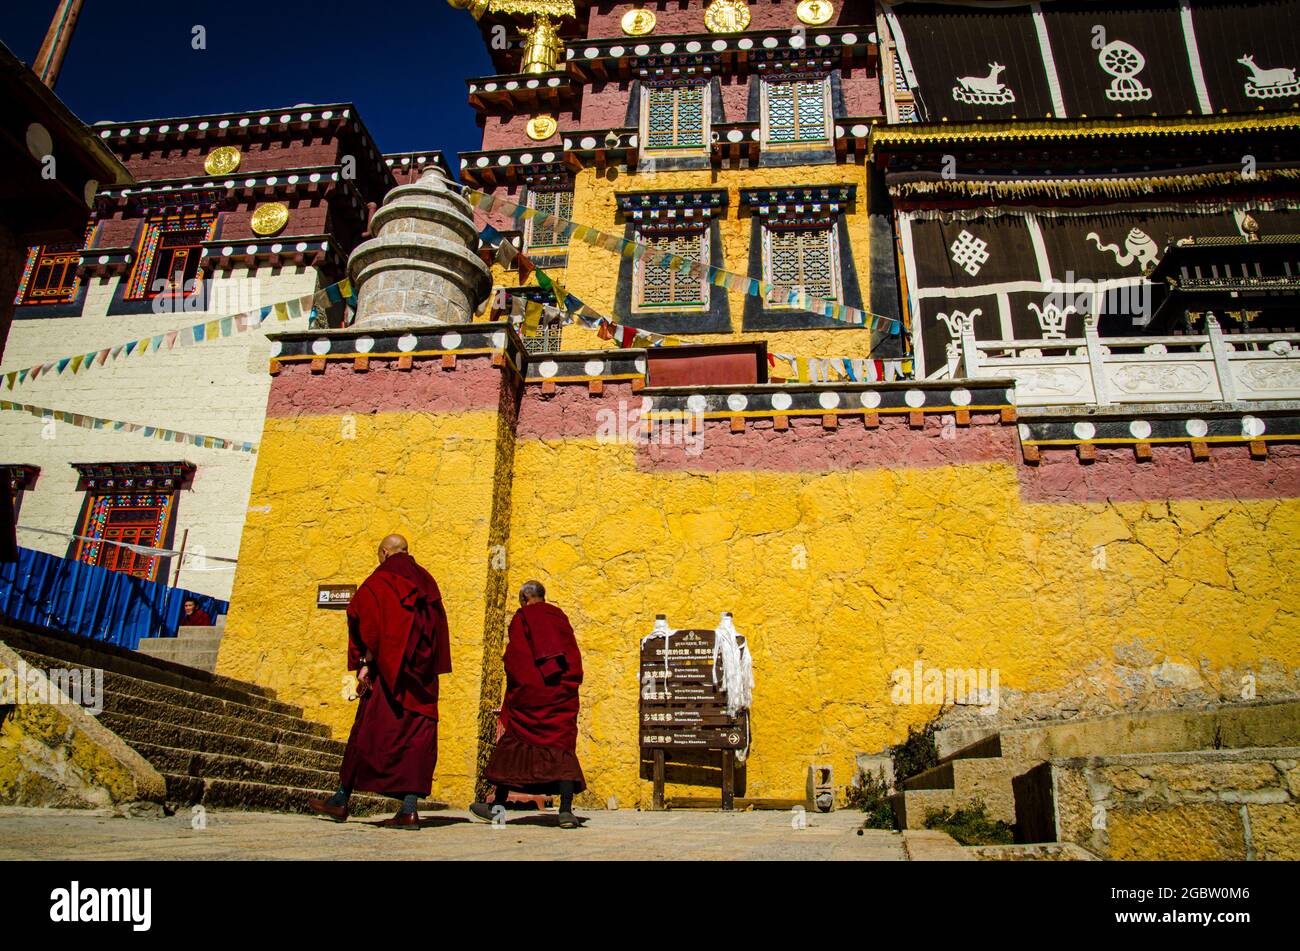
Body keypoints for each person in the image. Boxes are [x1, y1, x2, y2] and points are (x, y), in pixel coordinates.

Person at [308, 534, 451, 829]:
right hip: (421, 679)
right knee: (417, 738)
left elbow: (371, 624)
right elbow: (434, 630)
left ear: (385, 553)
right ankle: (408, 809)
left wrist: (365, 663)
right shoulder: (427, 580)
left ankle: (341, 799)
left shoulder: (382, 578)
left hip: (389, 675)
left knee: (367, 734)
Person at [471, 581, 585, 829]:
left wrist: (519, 689)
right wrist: (566, 685)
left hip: (530, 698)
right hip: (559, 697)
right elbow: (573, 658)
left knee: (513, 749)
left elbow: (516, 659)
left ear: (523, 599)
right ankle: (565, 811)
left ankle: (496, 809)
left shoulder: (522, 617)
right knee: (561, 747)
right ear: (543, 597)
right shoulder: (559, 617)